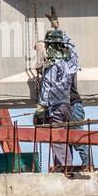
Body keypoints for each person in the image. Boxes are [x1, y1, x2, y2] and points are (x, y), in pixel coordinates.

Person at [36, 28, 79, 170]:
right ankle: (63, 165)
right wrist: (58, 28)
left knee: (57, 139)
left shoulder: (51, 64)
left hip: (55, 107)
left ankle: (65, 166)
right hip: (67, 105)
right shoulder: (69, 61)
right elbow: (73, 50)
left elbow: (47, 86)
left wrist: (41, 107)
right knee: (65, 137)